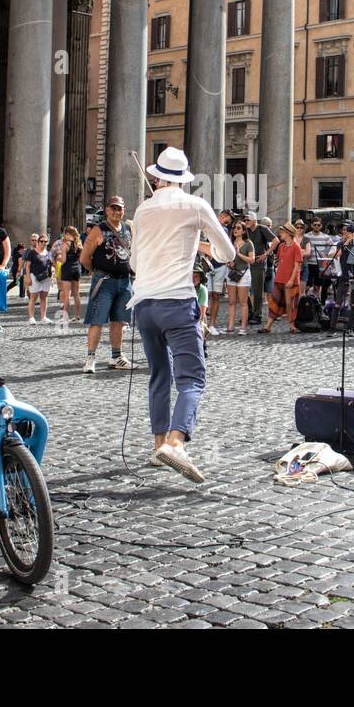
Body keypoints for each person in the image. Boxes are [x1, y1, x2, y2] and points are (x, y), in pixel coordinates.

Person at [128, 147, 237, 483]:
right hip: (176, 302)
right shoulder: (196, 205)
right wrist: (204, 247)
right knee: (192, 378)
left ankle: (159, 444)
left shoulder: (143, 209)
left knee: (159, 375)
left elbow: (133, 263)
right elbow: (228, 253)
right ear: (184, 179)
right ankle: (176, 442)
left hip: (144, 305)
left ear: (157, 177)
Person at [80, 196, 134, 373]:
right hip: (105, 281)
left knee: (119, 320)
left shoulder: (127, 229)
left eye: (120, 208)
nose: (117, 212)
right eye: (113, 208)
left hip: (124, 281)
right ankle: (90, 357)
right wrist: (97, 271)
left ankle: (116, 356)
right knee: (97, 320)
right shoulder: (98, 230)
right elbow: (85, 258)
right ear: (107, 210)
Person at [262, 222, 304, 334]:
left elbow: (297, 266)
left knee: (290, 304)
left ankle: (292, 325)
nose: (280, 234)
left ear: (288, 233)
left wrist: (291, 280)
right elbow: (279, 261)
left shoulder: (296, 247)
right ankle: (268, 326)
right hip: (279, 278)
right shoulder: (281, 246)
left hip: (291, 280)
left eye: (282, 232)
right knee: (274, 303)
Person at [241, 211, 276, 325]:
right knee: (244, 290)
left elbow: (276, 241)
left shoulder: (262, 229)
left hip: (258, 264)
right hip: (246, 263)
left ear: (254, 220)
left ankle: (257, 315)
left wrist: (266, 254)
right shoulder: (245, 230)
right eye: (245, 220)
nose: (246, 222)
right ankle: (249, 313)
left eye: (248, 220)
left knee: (257, 291)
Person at [223, 218, 254, 335]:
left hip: (244, 274)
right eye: (234, 228)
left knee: (243, 302)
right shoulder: (230, 243)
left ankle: (243, 327)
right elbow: (225, 257)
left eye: (238, 228)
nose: (235, 230)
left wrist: (239, 254)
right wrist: (228, 262)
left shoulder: (248, 244)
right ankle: (230, 326)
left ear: (244, 231)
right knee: (231, 302)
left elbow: (252, 260)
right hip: (231, 273)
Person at [22, 233, 54, 324]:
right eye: (42, 241)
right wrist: (28, 277)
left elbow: (52, 265)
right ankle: (31, 318)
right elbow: (27, 266)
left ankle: (43, 317)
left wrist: (53, 277)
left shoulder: (48, 253)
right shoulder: (32, 252)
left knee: (44, 297)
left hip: (46, 277)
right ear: (38, 242)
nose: (43, 243)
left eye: (45, 241)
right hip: (34, 276)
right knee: (33, 297)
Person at [55, 227, 84, 321]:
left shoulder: (65, 244)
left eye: (64, 234)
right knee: (76, 294)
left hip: (67, 269)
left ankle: (65, 317)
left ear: (67, 234)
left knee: (67, 295)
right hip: (77, 269)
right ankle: (77, 315)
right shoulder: (79, 244)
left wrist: (58, 257)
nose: (63, 236)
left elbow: (63, 260)